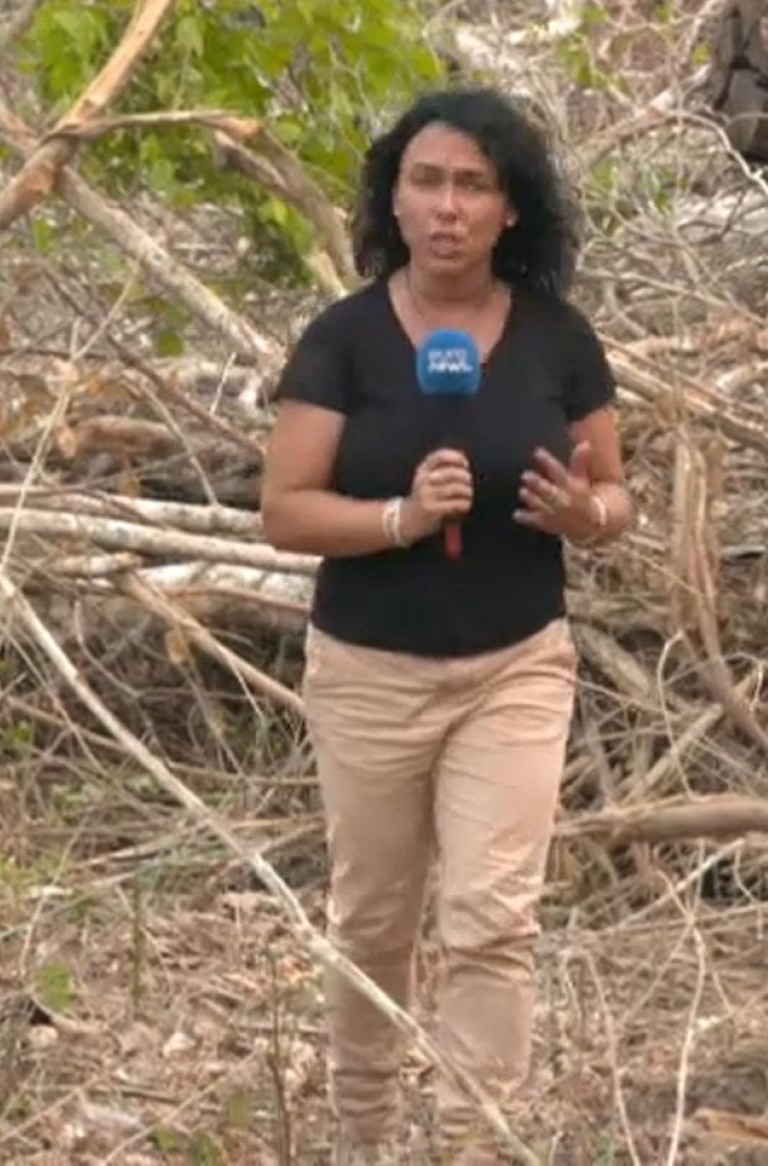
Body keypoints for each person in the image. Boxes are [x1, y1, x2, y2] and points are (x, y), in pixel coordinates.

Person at [260, 86, 632, 1163]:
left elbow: (617, 496)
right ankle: (362, 1137)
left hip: (516, 666)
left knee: (492, 920)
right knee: (375, 923)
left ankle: (478, 1144)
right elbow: (286, 510)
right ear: (394, 198)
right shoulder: (343, 340)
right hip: (369, 673)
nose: (448, 207)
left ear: (512, 207)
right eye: (426, 181)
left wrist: (585, 515)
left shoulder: (559, 339)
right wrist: (400, 517)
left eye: (474, 184)